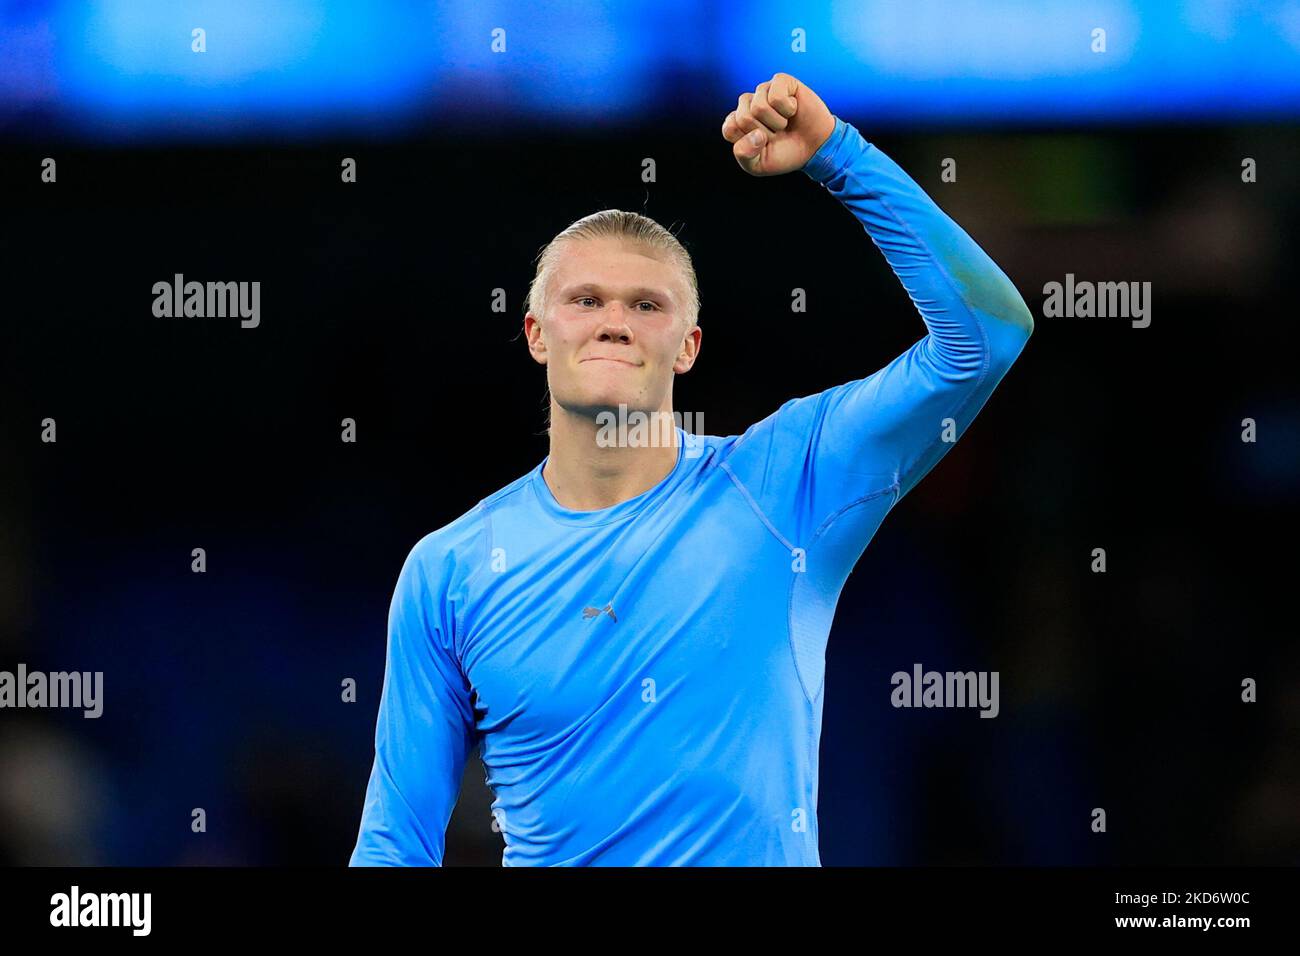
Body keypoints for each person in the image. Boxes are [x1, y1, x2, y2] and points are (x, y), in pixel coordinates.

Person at [349, 72, 1033, 865]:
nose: (614, 322)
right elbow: (394, 844)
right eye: (585, 301)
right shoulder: (449, 571)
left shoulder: (782, 484)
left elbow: (986, 336)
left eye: (647, 306)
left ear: (688, 346)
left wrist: (839, 155)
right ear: (536, 333)